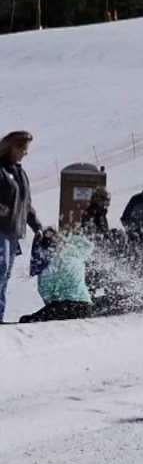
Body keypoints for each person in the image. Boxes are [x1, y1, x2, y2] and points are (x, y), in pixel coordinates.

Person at [0, 131, 41, 323]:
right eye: (23, 148)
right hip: (0, 229)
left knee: (4, 276)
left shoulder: (20, 172)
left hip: (12, 231)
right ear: (11, 147)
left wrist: (36, 226)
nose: (25, 153)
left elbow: (26, 204)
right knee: (0, 270)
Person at [20, 231, 95, 323]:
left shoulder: (48, 267)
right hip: (86, 307)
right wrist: (68, 238)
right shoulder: (76, 252)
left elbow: (46, 295)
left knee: (26, 319)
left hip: (64, 307)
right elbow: (89, 245)